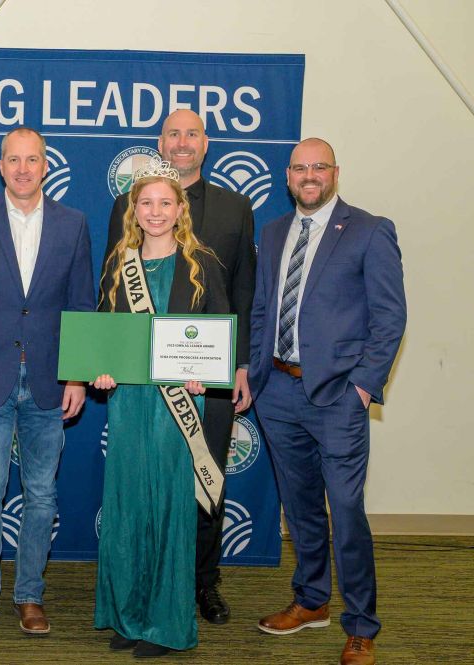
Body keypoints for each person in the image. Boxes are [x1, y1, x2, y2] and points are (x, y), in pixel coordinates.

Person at [250, 138, 406, 665]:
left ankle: (361, 624)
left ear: (335, 172)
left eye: (319, 167)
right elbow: (262, 311)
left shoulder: (369, 229)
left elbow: (390, 319)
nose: (309, 175)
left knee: (344, 509)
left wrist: (363, 385)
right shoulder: (272, 233)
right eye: (300, 168)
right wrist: (253, 373)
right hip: (277, 392)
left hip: (339, 396)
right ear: (287, 175)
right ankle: (311, 600)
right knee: (300, 509)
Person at [103, 109, 255, 624]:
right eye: (173, 133)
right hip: (137, 390)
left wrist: (233, 365)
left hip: (200, 381)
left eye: (192, 133)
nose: (183, 142)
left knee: (202, 477)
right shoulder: (124, 215)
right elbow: (111, 310)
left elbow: (241, 295)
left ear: (205, 143)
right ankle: (141, 591)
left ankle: (202, 583)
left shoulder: (235, 211)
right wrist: (101, 364)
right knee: (142, 491)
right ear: (161, 143)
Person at [0, 127, 95, 642]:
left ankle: (29, 594)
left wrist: (77, 371)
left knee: (43, 496)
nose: (24, 169)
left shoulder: (73, 224)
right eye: (14, 160)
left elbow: (81, 305)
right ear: (0, 166)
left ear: (46, 165)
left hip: (51, 381)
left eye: (33, 160)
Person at [92, 163, 230, 658]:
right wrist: (101, 370)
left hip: (178, 405)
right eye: (145, 203)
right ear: (135, 210)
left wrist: (205, 373)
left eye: (165, 203)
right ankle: (128, 616)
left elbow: (218, 336)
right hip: (129, 401)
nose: (155, 212)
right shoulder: (116, 264)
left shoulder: (202, 264)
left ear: (179, 210)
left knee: (170, 509)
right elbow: (104, 336)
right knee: (129, 507)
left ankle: (167, 625)